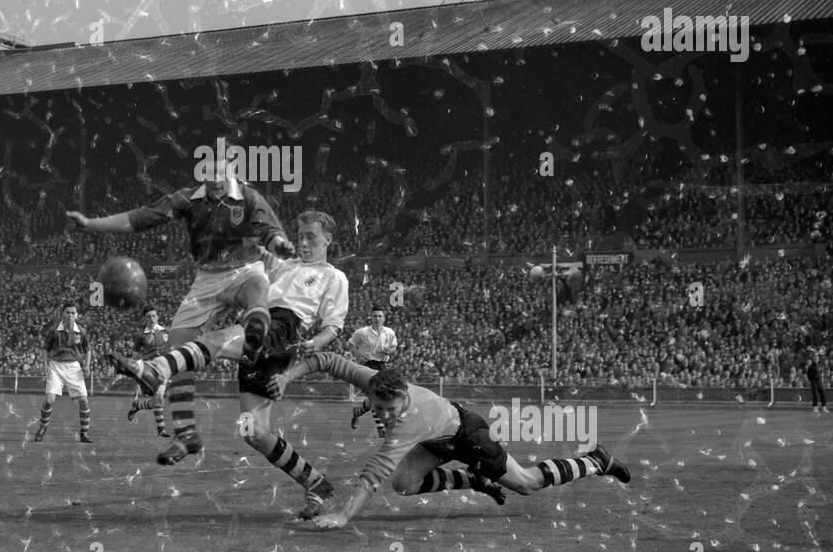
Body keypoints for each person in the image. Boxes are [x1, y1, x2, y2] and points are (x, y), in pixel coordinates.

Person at [111, 210, 348, 517]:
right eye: (300, 235)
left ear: (327, 239)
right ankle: (315, 483)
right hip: (258, 324)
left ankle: (156, 369)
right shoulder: (285, 265)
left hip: (283, 327)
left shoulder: (334, 276)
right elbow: (255, 255)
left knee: (213, 341)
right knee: (253, 432)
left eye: (310, 237)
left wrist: (315, 343)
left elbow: (333, 325)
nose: (303, 241)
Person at [67, 155, 293, 465]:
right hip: (207, 278)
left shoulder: (249, 196)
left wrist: (279, 244)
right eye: (210, 175)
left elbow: (271, 233)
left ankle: (254, 331)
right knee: (176, 349)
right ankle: (186, 435)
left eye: (221, 174)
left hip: (244, 269)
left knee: (258, 286)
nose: (216, 181)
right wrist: (92, 224)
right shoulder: (187, 199)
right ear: (203, 175)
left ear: (231, 173)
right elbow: (140, 218)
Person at [270, 355, 630, 528]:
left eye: (390, 409)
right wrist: (287, 377)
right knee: (405, 484)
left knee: (527, 483)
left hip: (467, 437)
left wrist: (343, 516)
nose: (385, 415)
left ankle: (595, 460)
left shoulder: (409, 423)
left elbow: (372, 475)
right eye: (378, 406)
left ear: (404, 399)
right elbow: (325, 359)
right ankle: (473, 480)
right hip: (438, 438)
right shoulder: (377, 381)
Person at [34, 302, 93, 443]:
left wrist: (87, 366)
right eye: (68, 312)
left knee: (84, 402)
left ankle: (84, 434)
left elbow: (88, 350)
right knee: (49, 400)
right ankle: (42, 428)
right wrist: (45, 365)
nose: (70, 315)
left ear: (76, 315)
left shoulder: (82, 331)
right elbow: (45, 349)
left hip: (74, 368)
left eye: (73, 313)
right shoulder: (54, 330)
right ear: (63, 313)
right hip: (56, 366)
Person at [348, 306, 398, 437]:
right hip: (367, 366)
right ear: (371, 317)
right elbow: (351, 344)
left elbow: (393, 346)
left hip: (382, 366)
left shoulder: (389, 332)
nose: (377, 318)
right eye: (375, 316)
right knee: (376, 396)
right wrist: (358, 354)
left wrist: (389, 351)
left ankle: (357, 412)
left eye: (380, 316)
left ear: (384, 318)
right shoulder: (362, 332)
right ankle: (380, 427)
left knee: (374, 399)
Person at [126, 307, 171, 437]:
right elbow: (135, 353)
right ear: (145, 319)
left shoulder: (166, 331)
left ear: (157, 317)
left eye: (153, 316)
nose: (151, 319)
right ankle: (161, 431)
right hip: (150, 370)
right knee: (159, 398)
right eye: (148, 317)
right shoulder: (141, 335)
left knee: (157, 401)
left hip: (164, 369)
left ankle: (138, 406)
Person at [805, 346, 828, 413]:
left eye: (817, 358)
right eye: (815, 358)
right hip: (813, 381)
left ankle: (824, 407)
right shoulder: (811, 365)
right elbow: (808, 374)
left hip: (819, 381)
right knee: (815, 394)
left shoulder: (820, 364)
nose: (816, 359)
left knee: (822, 393)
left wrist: (817, 351)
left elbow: (822, 355)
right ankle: (815, 407)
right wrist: (813, 351)